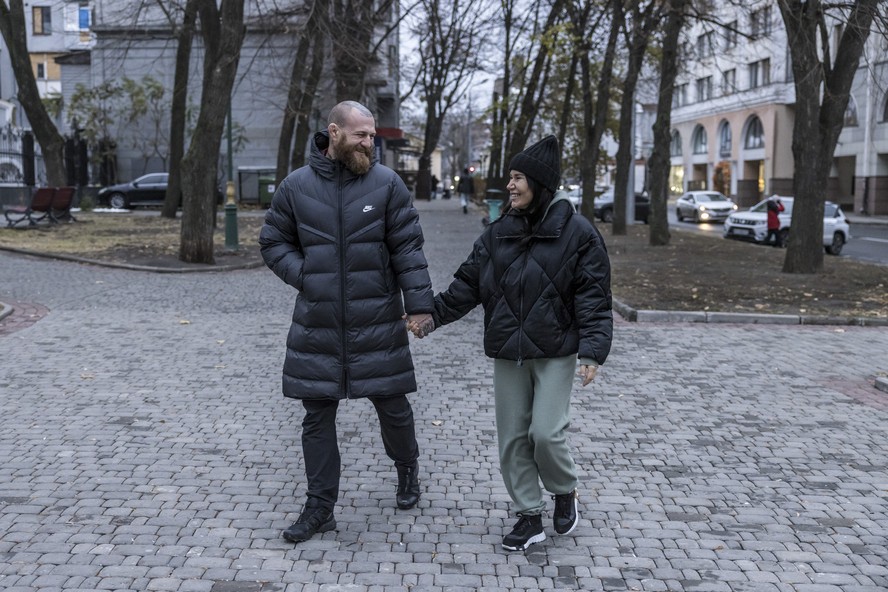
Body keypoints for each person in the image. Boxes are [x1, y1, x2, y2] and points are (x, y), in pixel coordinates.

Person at [409, 135, 613, 551]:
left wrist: (592, 350)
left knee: (546, 433)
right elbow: (466, 286)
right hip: (508, 349)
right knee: (513, 438)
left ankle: (564, 488)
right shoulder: (497, 233)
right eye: (510, 178)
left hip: (555, 349)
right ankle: (528, 516)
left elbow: (593, 296)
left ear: (540, 183)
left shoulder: (579, 234)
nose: (511, 186)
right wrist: (431, 317)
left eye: (519, 178)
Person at [259, 100, 435, 544]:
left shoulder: (387, 185)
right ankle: (320, 507)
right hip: (318, 323)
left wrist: (419, 307)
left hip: (377, 319)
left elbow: (408, 250)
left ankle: (407, 469)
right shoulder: (296, 187)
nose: (369, 143)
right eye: (361, 135)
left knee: (393, 407)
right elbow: (273, 241)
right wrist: (307, 276)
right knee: (316, 416)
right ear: (334, 132)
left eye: (372, 135)